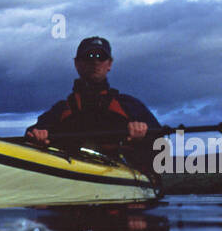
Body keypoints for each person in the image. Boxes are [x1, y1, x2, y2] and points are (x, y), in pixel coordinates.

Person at [25, 37, 161, 173]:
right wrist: (37, 136)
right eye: (88, 57)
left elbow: (161, 146)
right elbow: (30, 134)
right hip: (73, 175)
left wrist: (144, 136)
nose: (95, 62)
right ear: (77, 64)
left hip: (121, 176)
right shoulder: (61, 110)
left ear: (109, 64)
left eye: (101, 57)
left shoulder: (130, 106)